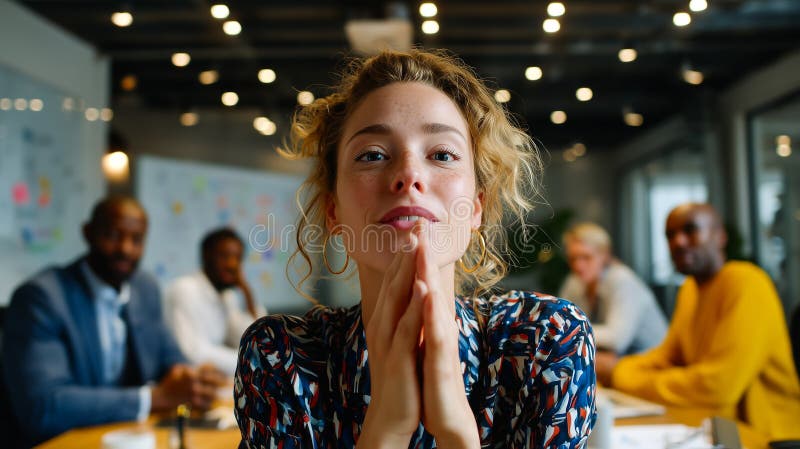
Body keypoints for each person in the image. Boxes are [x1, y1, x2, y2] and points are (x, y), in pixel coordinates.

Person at [234, 49, 596, 449]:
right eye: (372, 155)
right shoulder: (279, 357)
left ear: (477, 206)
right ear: (333, 211)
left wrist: (457, 432)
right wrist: (386, 431)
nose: (409, 174)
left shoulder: (546, 340)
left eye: (442, 154)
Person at [1, 196, 226, 447]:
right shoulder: (42, 298)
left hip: (130, 436)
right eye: (112, 235)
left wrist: (187, 376)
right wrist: (154, 398)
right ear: (88, 234)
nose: (125, 249)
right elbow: (43, 406)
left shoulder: (144, 287)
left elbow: (169, 356)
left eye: (137, 240)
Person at [596, 203, 800, 439]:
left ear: (720, 236)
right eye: (670, 235)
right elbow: (667, 358)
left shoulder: (747, 283)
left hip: (767, 435)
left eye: (690, 230)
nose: (678, 242)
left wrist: (620, 374)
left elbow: (717, 387)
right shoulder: (691, 290)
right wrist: (613, 369)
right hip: (712, 427)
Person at [164, 227, 265, 376]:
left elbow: (253, 339)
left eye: (238, 258)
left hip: (211, 379)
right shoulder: (184, 290)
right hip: (180, 380)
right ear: (206, 256)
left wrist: (247, 292)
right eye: (224, 256)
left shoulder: (227, 296)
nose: (232, 265)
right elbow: (192, 352)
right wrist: (250, 361)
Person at [559, 222, 667, 355]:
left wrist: (570, 331)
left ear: (604, 255)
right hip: (620, 356)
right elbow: (561, 321)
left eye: (586, 257)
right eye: (572, 258)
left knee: (574, 359)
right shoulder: (575, 281)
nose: (578, 265)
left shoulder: (622, 280)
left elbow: (617, 339)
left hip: (649, 358)